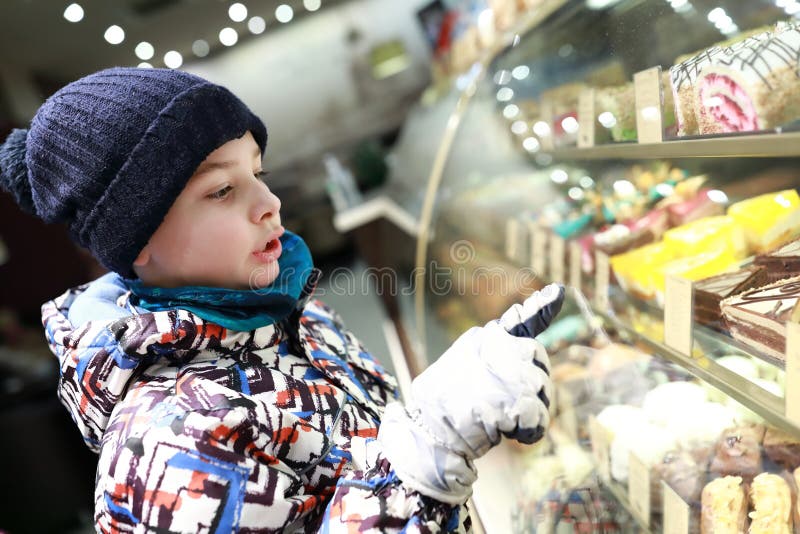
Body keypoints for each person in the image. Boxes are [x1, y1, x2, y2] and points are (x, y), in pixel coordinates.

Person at [0, 67, 563, 532]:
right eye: (222, 188)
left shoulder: (291, 313)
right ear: (136, 241)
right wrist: (427, 459)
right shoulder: (167, 446)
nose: (268, 201)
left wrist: (440, 420)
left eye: (258, 172)